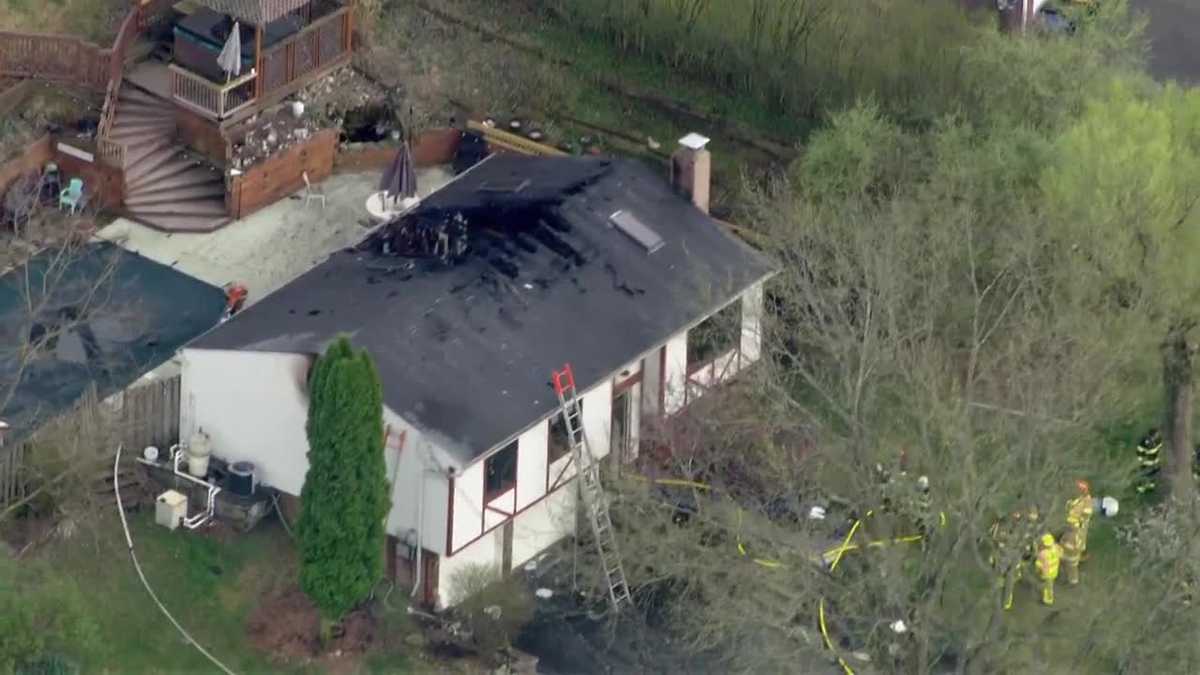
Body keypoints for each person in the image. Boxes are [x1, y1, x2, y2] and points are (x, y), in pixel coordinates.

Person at [1066, 479, 1095, 556]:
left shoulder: (1087, 500)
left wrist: (1080, 522)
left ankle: (1080, 553)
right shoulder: (1077, 498)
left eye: (1077, 489)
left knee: (1078, 538)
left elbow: (1087, 513)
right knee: (1070, 537)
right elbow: (1070, 506)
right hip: (1071, 521)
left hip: (1079, 523)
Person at [1035, 533, 1062, 605]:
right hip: (1054, 570)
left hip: (1047, 573)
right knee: (1050, 584)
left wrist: (1038, 570)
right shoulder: (1056, 547)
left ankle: (1049, 599)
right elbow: (1061, 554)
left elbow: (1039, 564)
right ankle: (1049, 596)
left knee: (1049, 586)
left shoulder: (1043, 553)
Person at [1136, 429, 1163, 494]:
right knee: (1143, 474)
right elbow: (1139, 449)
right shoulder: (1145, 441)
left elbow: (1159, 448)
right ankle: (1140, 489)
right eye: (1154, 435)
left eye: (1156, 435)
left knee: (1153, 474)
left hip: (1155, 460)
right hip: (1146, 461)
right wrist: (1140, 458)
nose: (1155, 437)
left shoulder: (1158, 440)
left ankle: (1151, 487)